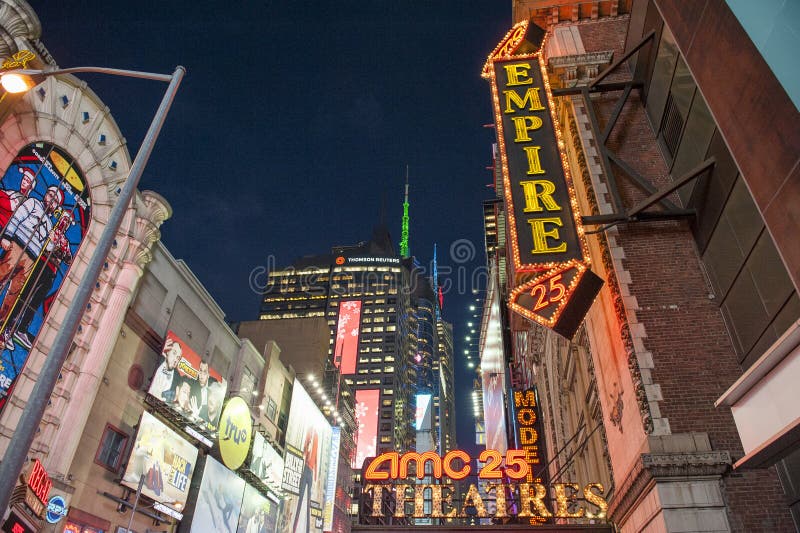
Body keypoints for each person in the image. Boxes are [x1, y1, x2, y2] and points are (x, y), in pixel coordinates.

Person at [0, 186, 64, 331]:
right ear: (46, 194)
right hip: (17, 247)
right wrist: (7, 236)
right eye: (50, 195)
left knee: (14, 294)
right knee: (1, 274)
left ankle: (0, 325)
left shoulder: (49, 225)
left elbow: (46, 248)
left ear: (56, 207)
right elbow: (17, 217)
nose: (51, 200)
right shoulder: (33, 203)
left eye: (55, 201)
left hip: (31, 259)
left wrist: (53, 242)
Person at [292, 428, 319, 533]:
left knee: (308, 501)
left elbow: (316, 457)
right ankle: (294, 528)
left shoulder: (316, 435)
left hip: (310, 470)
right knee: (300, 497)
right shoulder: (309, 432)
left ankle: (307, 530)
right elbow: (304, 450)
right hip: (305, 468)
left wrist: (316, 476)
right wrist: (307, 447)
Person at [151, 338, 182, 402]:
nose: (175, 360)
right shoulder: (159, 358)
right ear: (168, 352)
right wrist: (162, 348)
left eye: (178, 358)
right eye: (174, 353)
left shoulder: (177, 377)